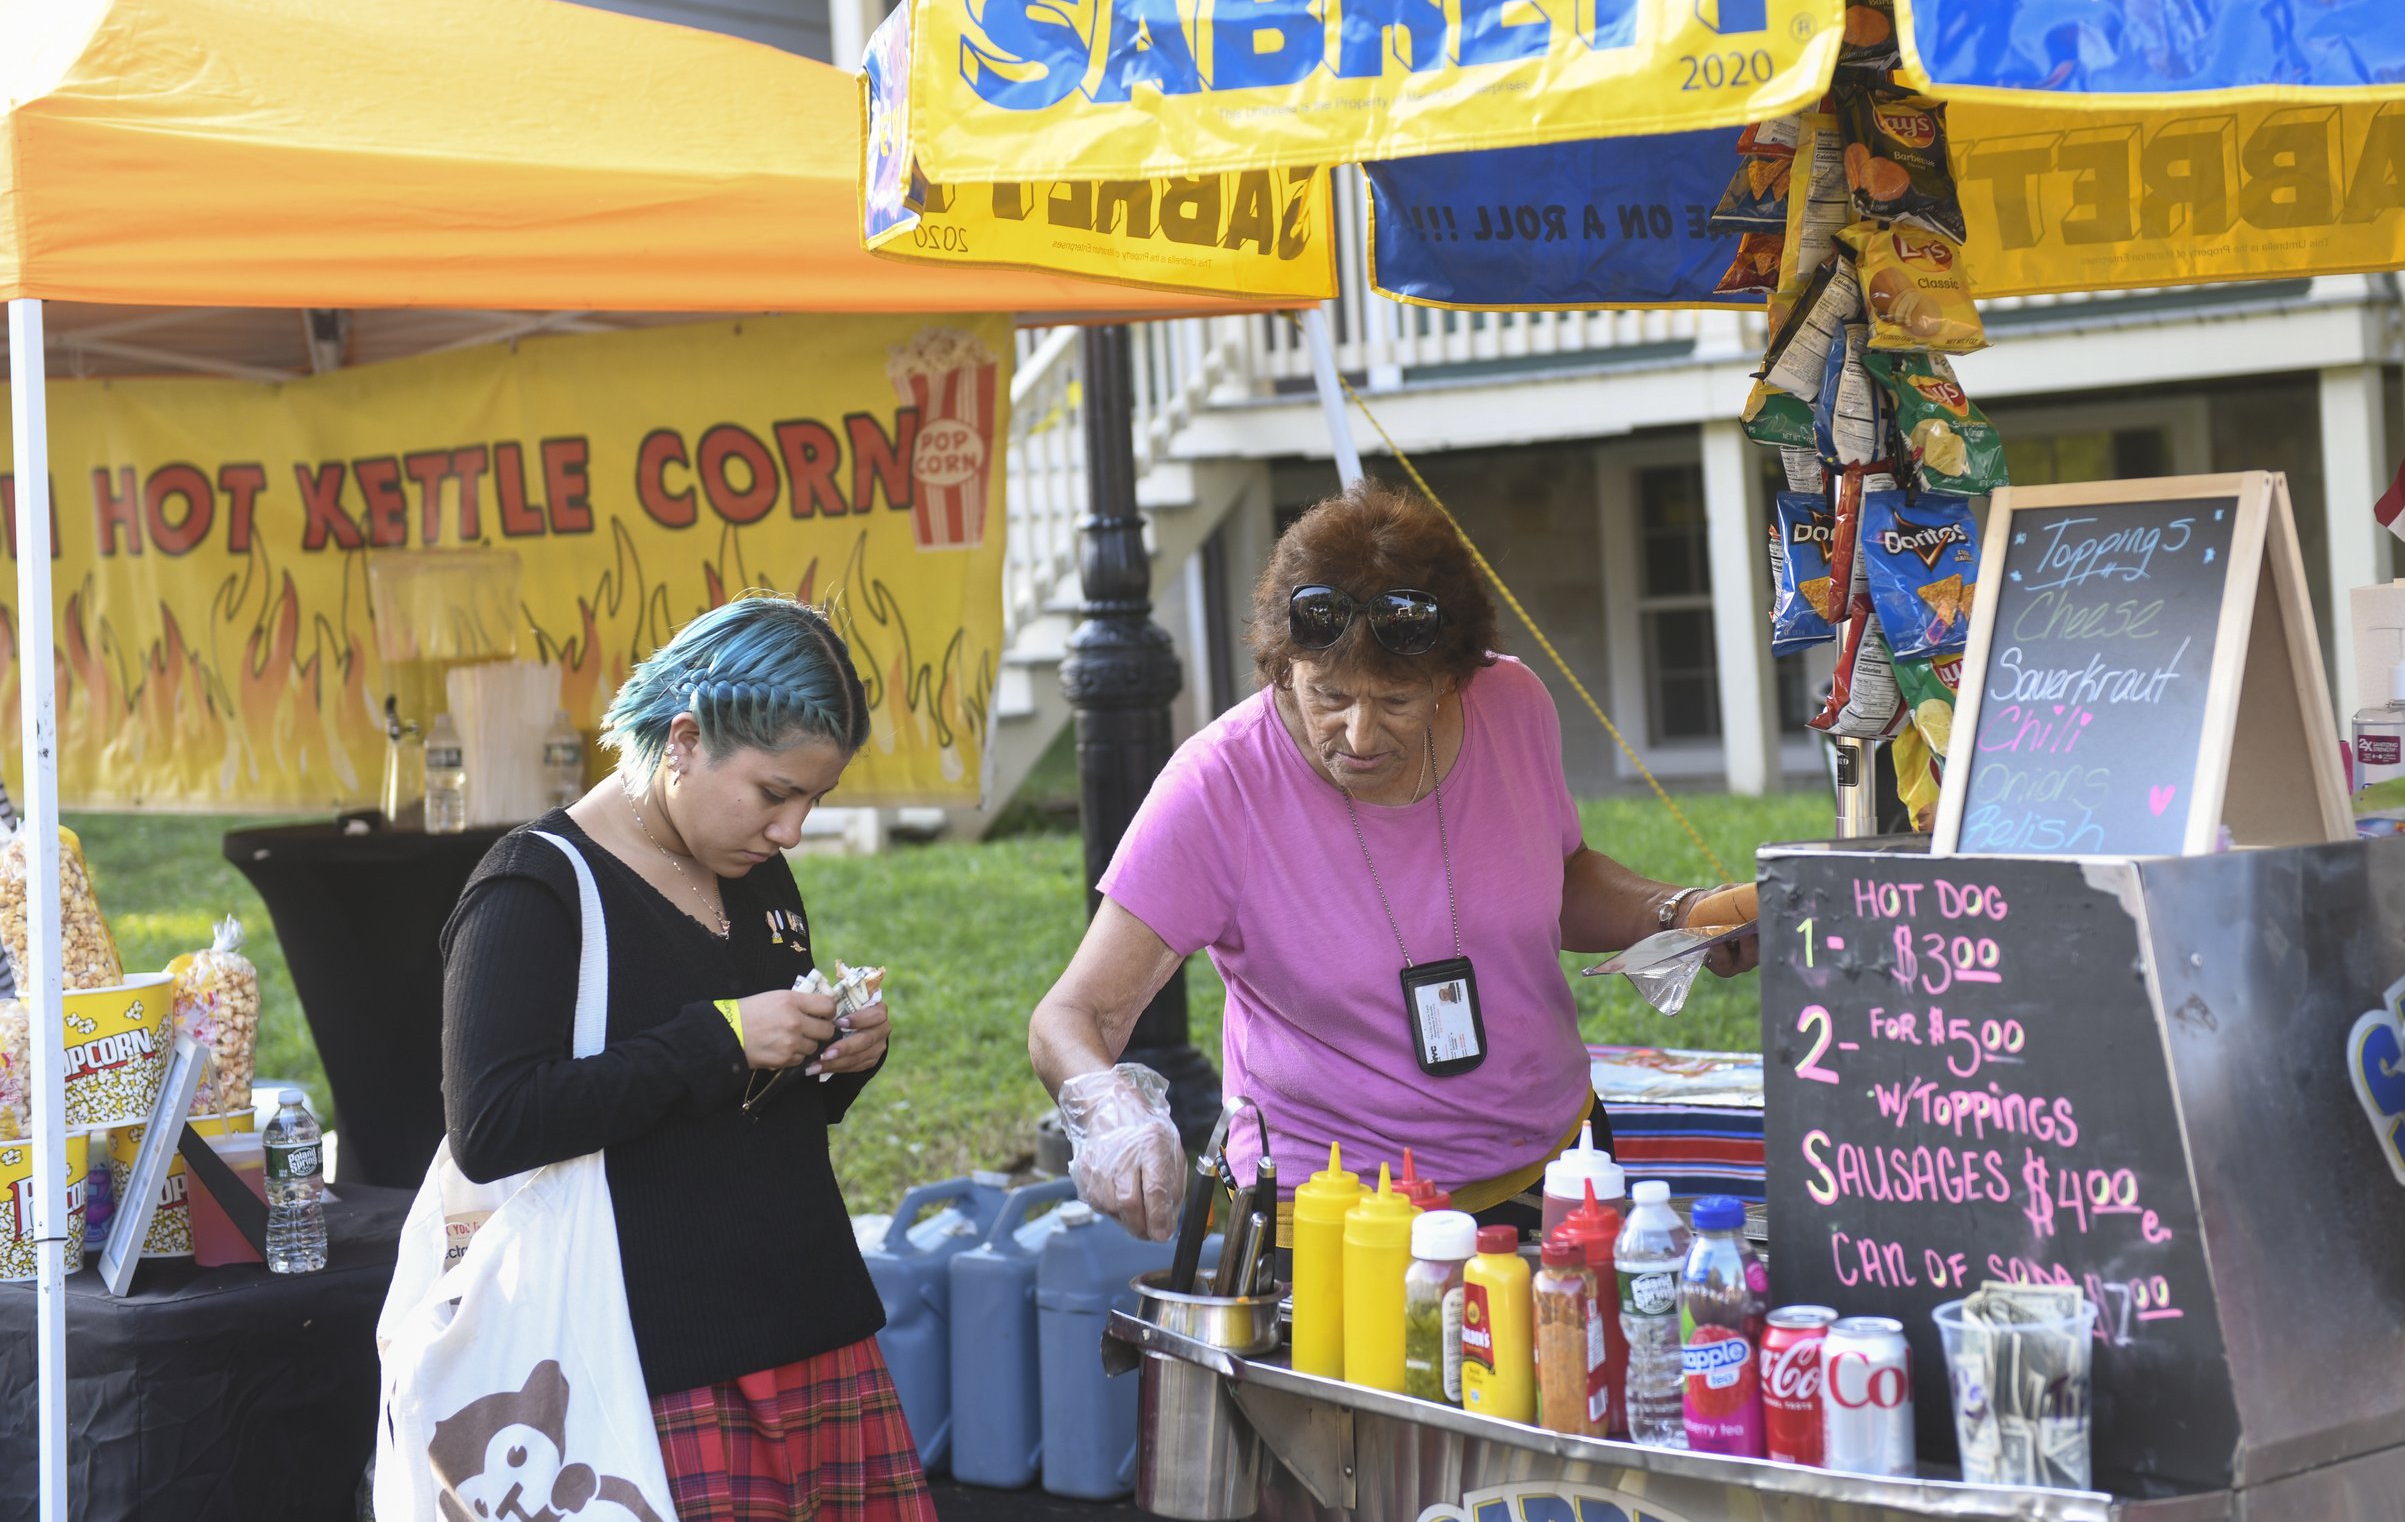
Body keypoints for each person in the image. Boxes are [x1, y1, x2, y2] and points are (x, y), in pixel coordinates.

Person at [1030, 482, 1758, 1244]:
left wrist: (1679, 914)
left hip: (1551, 1165)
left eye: (1398, 700)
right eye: (1329, 695)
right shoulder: (1217, 786)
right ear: (1283, 667)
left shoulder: (1512, 703)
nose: (1360, 734)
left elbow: (1555, 874)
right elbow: (1072, 1015)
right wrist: (1109, 1114)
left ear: (1453, 674)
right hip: (1338, 1217)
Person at [442, 594, 934, 1522]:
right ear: (683, 738)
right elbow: (493, 1123)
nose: (792, 830)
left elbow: (750, 1106)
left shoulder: (755, 871)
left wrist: (837, 1057)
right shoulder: (534, 884)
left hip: (813, 1325)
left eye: (813, 800)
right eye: (775, 793)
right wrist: (721, 1035)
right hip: (657, 1363)